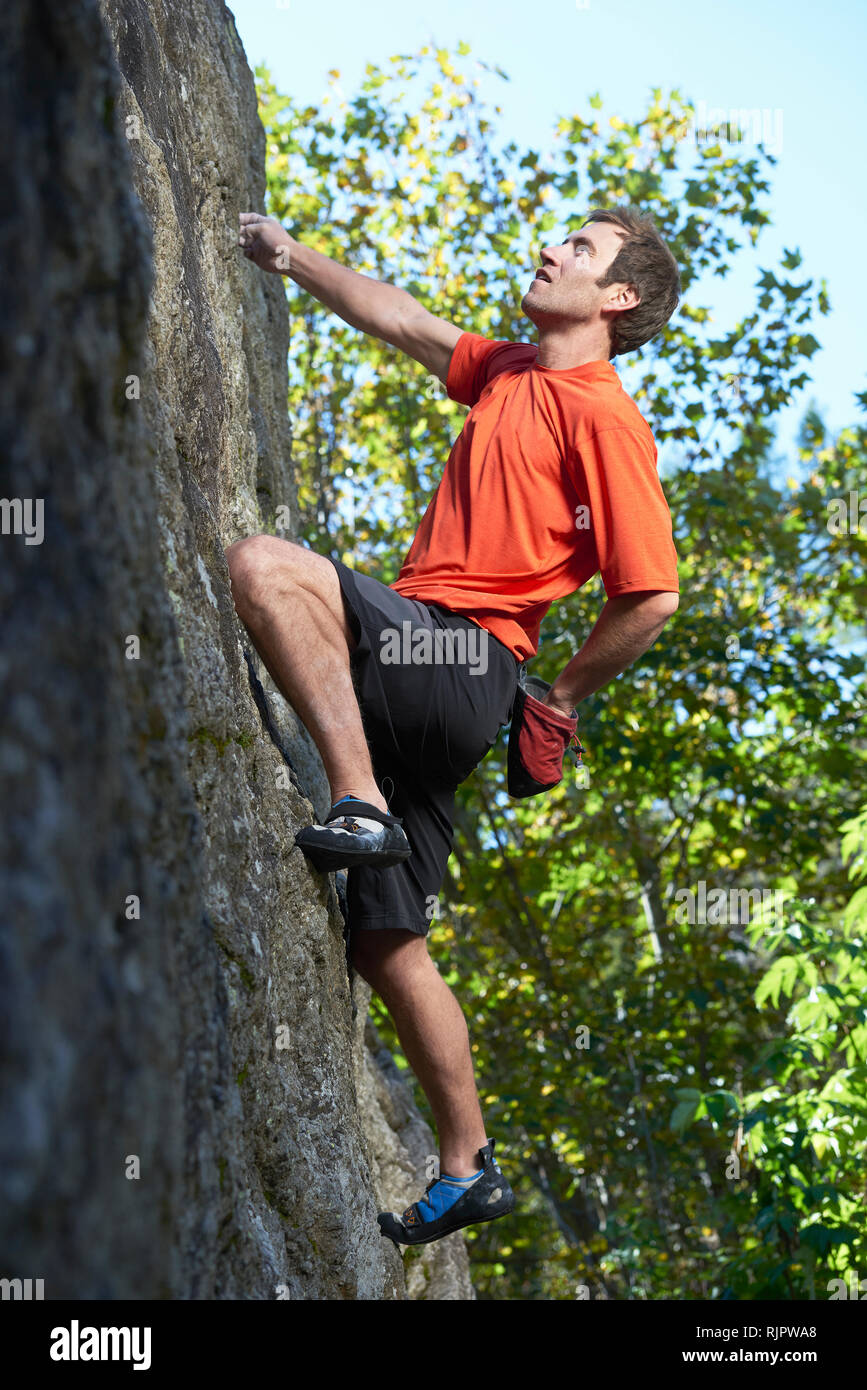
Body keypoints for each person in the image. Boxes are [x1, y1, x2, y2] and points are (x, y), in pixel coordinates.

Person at [227, 205, 681, 1246]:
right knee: (391, 943)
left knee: (264, 567)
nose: (552, 246)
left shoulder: (604, 415)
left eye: (582, 246)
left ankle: (355, 795)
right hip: (443, 699)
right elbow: (406, 321)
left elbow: (649, 594)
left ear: (617, 297)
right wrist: (290, 255)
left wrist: (560, 699)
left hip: (464, 659)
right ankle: (466, 1162)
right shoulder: (510, 370)